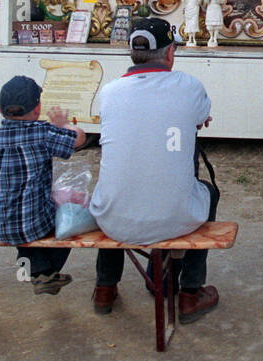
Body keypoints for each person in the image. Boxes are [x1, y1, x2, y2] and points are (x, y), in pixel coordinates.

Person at [88, 17, 220, 322]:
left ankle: (105, 287)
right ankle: (189, 292)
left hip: (113, 219)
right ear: (170, 52)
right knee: (208, 192)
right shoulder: (188, 85)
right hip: (174, 218)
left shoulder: (109, 92)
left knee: (117, 189)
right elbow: (201, 116)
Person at [0, 75, 87, 295]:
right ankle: (45, 270)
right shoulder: (42, 133)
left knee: (19, 211)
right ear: (37, 109)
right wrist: (62, 124)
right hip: (35, 223)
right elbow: (79, 139)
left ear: (0, 108)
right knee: (70, 215)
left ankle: (33, 266)